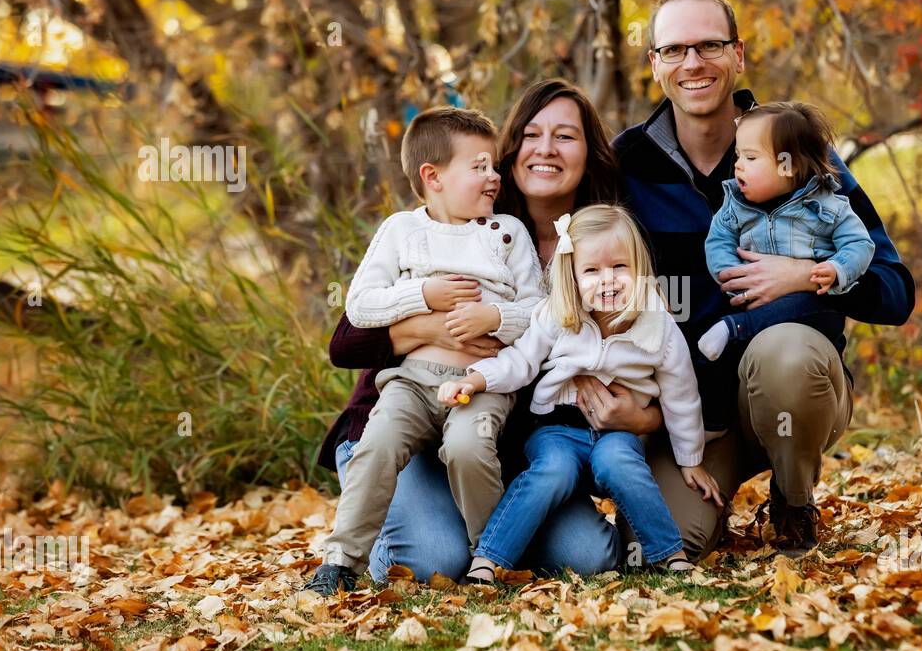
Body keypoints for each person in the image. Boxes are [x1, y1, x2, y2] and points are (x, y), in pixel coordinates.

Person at [612, 0, 915, 556]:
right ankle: (711, 491)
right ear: (655, 64)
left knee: (788, 357)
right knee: (670, 543)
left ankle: (794, 499)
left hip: (788, 392)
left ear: (739, 54)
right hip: (691, 417)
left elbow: (896, 292)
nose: (693, 63)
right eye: (675, 50)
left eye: (709, 45)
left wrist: (808, 275)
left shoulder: (796, 149)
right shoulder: (627, 165)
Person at [316, 80, 635, 587]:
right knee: (430, 562)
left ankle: (489, 553)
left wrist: (496, 322)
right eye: (531, 135)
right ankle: (352, 554)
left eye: (566, 137)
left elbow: (554, 325)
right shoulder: (427, 225)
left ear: (589, 152)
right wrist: (427, 316)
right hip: (408, 408)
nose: (546, 149)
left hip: (496, 425)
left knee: (588, 555)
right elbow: (347, 339)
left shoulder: (596, 242)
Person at [306, 107, 542, 596]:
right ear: (432, 177)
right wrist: (424, 298)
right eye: (478, 167)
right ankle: (340, 559)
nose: (494, 177)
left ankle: (491, 557)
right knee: (379, 442)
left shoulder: (507, 234)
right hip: (411, 383)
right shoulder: (400, 232)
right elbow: (361, 306)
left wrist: (495, 318)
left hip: (479, 383)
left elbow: (539, 312)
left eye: (494, 166)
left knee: (468, 447)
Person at [439, 205, 720, 583]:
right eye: (592, 271)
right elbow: (520, 361)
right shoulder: (556, 315)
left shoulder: (658, 325)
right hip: (557, 429)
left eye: (620, 267)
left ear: (639, 268)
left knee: (619, 462)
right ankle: (487, 560)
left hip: (618, 433)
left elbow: (681, 394)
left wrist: (690, 459)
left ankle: (669, 555)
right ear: (572, 276)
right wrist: (475, 379)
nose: (608, 280)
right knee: (551, 469)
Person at [698, 100, 875, 362]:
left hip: (810, 317)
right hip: (754, 303)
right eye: (738, 155)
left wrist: (837, 269)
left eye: (751, 157)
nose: (738, 165)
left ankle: (736, 327)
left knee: (815, 306)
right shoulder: (734, 206)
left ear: (787, 165)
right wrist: (733, 276)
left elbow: (861, 244)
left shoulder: (826, 205)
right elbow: (718, 240)